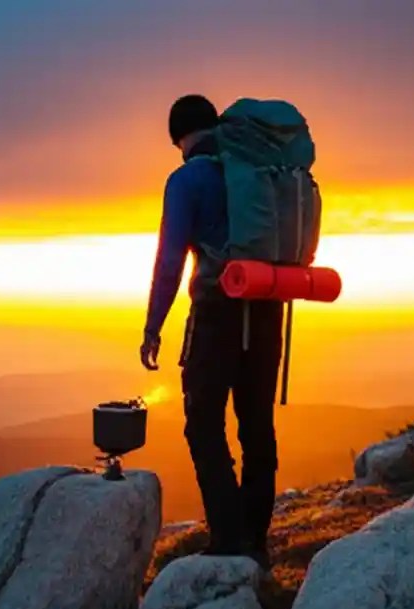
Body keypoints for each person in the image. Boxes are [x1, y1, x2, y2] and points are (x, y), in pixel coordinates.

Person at [140, 94, 284, 568]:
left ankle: (227, 539)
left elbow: (170, 261)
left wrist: (154, 326)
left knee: (204, 423)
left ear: (178, 138)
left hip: (217, 313)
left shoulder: (186, 180)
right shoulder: (257, 173)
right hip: (267, 307)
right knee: (257, 426)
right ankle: (256, 542)